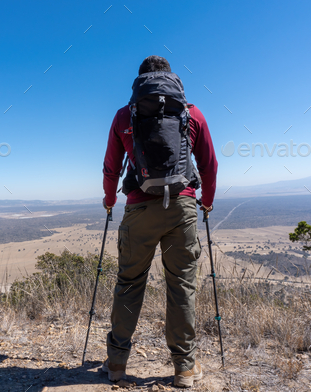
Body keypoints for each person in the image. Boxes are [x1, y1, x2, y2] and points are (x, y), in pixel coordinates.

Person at [101, 55, 218, 388]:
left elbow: (111, 167)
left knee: (129, 283)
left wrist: (110, 201)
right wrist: (205, 202)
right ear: (172, 79)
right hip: (182, 208)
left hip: (138, 209)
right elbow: (209, 166)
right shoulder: (192, 113)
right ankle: (184, 368)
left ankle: (117, 364)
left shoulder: (126, 115)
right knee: (181, 286)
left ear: (139, 82)